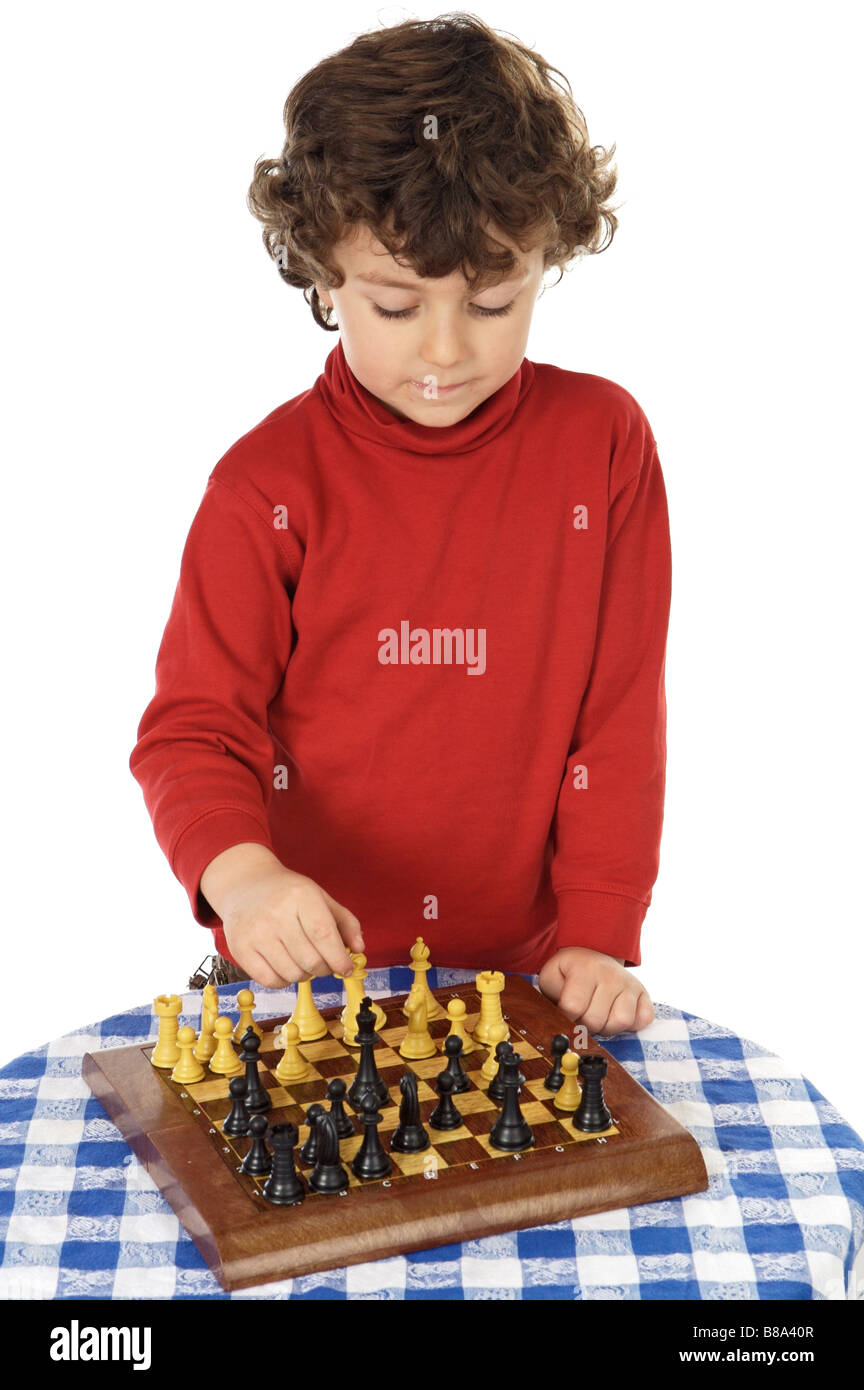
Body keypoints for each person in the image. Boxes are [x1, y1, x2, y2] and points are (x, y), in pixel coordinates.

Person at [130, 14, 670, 1036]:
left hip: (521, 978)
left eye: (493, 299)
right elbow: (195, 730)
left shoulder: (605, 444)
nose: (444, 350)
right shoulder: (264, 485)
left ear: (548, 259)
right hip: (297, 985)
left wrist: (598, 929)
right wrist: (244, 878)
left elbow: (620, 713)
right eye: (392, 306)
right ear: (324, 279)